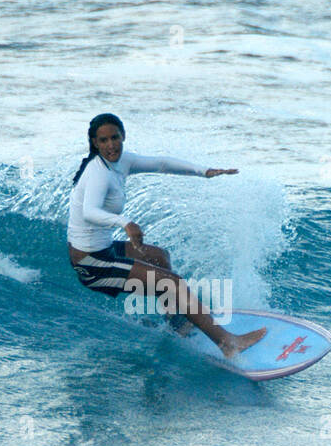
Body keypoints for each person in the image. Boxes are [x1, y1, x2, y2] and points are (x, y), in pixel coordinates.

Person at [67, 114, 267, 360]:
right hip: (91, 262)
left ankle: (177, 324)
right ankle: (228, 343)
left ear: (123, 136)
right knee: (172, 283)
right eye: (104, 140)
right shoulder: (98, 172)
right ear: (95, 143)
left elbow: (161, 164)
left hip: (104, 248)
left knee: (159, 257)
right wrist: (125, 223)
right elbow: (89, 211)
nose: (111, 145)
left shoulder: (121, 162)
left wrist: (203, 171)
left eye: (115, 138)